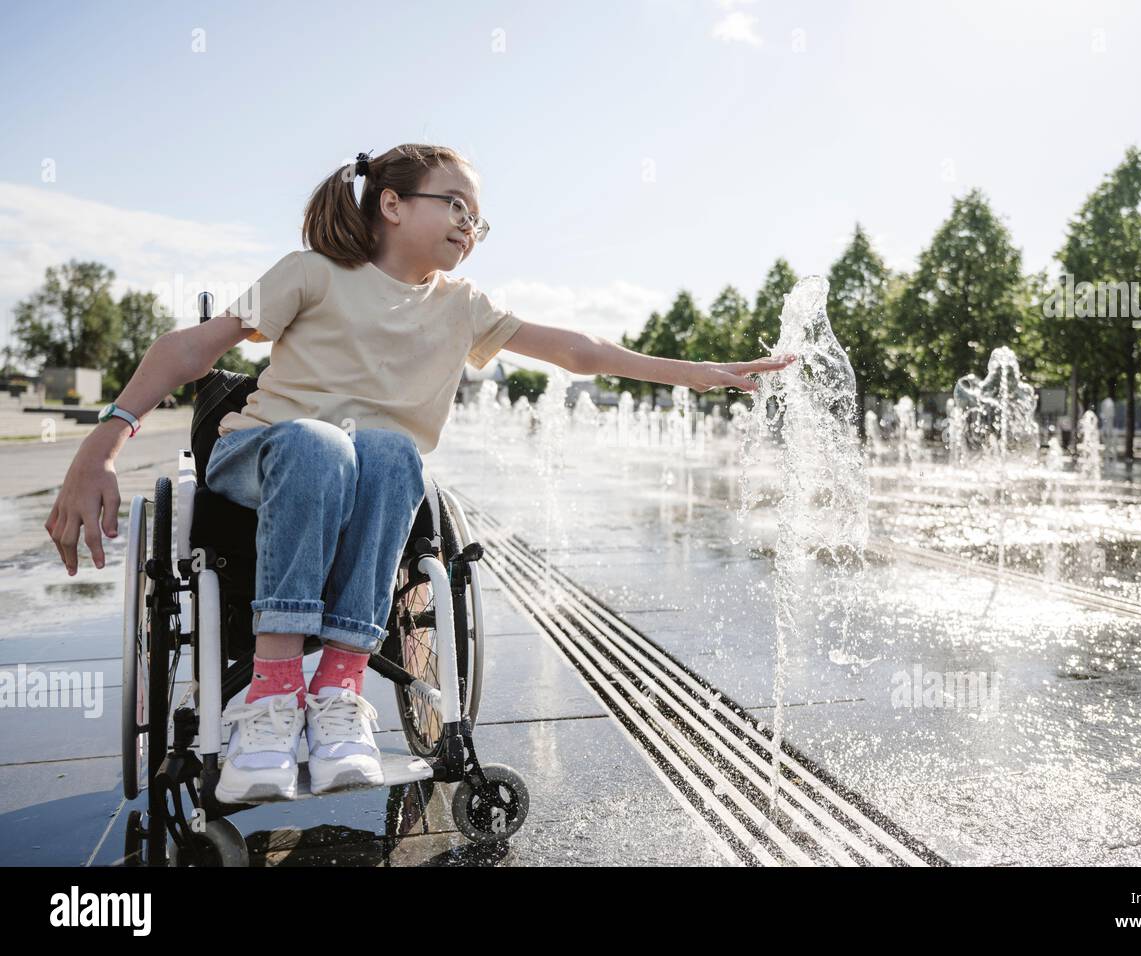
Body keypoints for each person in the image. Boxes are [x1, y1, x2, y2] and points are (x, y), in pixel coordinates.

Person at [45, 143, 796, 802]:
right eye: (456, 204)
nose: (472, 223)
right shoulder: (315, 273)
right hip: (267, 456)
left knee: (393, 449)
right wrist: (100, 447)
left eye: (481, 217)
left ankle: (338, 693)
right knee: (322, 443)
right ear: (393, 204)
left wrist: (696, 373)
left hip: (371, 475)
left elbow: (582, 352)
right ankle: (269, 700)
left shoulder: (462, 306)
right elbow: (191, 350)